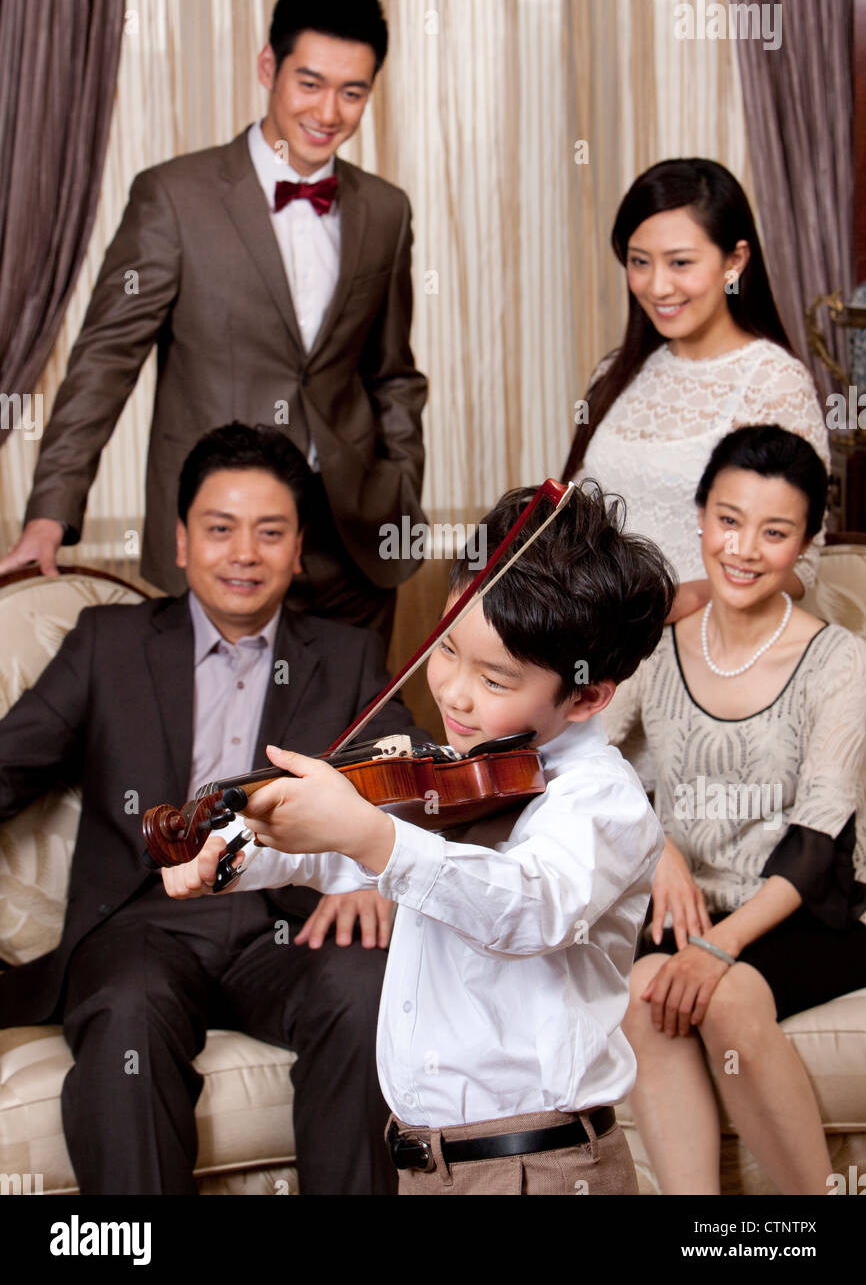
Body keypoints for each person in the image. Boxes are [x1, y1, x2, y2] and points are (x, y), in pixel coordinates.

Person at [164, 481, 677, 1195]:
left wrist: (373, 837)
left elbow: (529, 909)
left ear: (587, 695)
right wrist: (231, 853)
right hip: (426, 1165)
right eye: (446, 649)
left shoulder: (601, 798)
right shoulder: (463, 778)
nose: (456, 693)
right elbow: (338, 857)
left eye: (496, 678)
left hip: (540, 1170)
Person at [0, 423, 424, 1195]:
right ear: (182, 542)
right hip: (143, 922)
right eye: (220, 530)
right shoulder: (109, 642)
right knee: (126, 1010)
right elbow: (9, 763)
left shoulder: (349, 654)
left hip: (292, 923)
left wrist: (376, 870)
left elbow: (417, 783)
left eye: (270, 533)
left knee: (368, 987)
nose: (244, 554)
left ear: (298, 551)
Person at [0, 0, 427, 644]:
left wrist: (399, 482)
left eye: (353, 92)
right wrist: (52, 514)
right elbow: (104, 363)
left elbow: (393, 374)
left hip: (351, 546)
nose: (327, 113)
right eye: (309, 83)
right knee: (216, 745)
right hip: (219, 543)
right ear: (269, 67)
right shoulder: (173, 197)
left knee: (351, 746)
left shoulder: (385, 209)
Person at [606, 425, 866, 1195]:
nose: (745, 549)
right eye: (728, 520)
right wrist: (660, 850)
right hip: (685, 905)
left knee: (730, 993)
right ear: (700, 517)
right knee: (642, 996)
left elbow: (820, 838)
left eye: (775, 531)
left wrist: (716, 951)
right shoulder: (655, 645)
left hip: (803, 910)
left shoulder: (841, 660)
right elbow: (578, 756)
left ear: (807, 542)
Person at [562, 158, 829, 625]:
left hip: (706, 647)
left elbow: (801, 565)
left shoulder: (772, 381)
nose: (658, 286)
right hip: (599, 640)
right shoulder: (617, 370)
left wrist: (677, 601)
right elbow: (574, 516)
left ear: (735, 262)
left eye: (680, 263)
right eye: (639, 262)